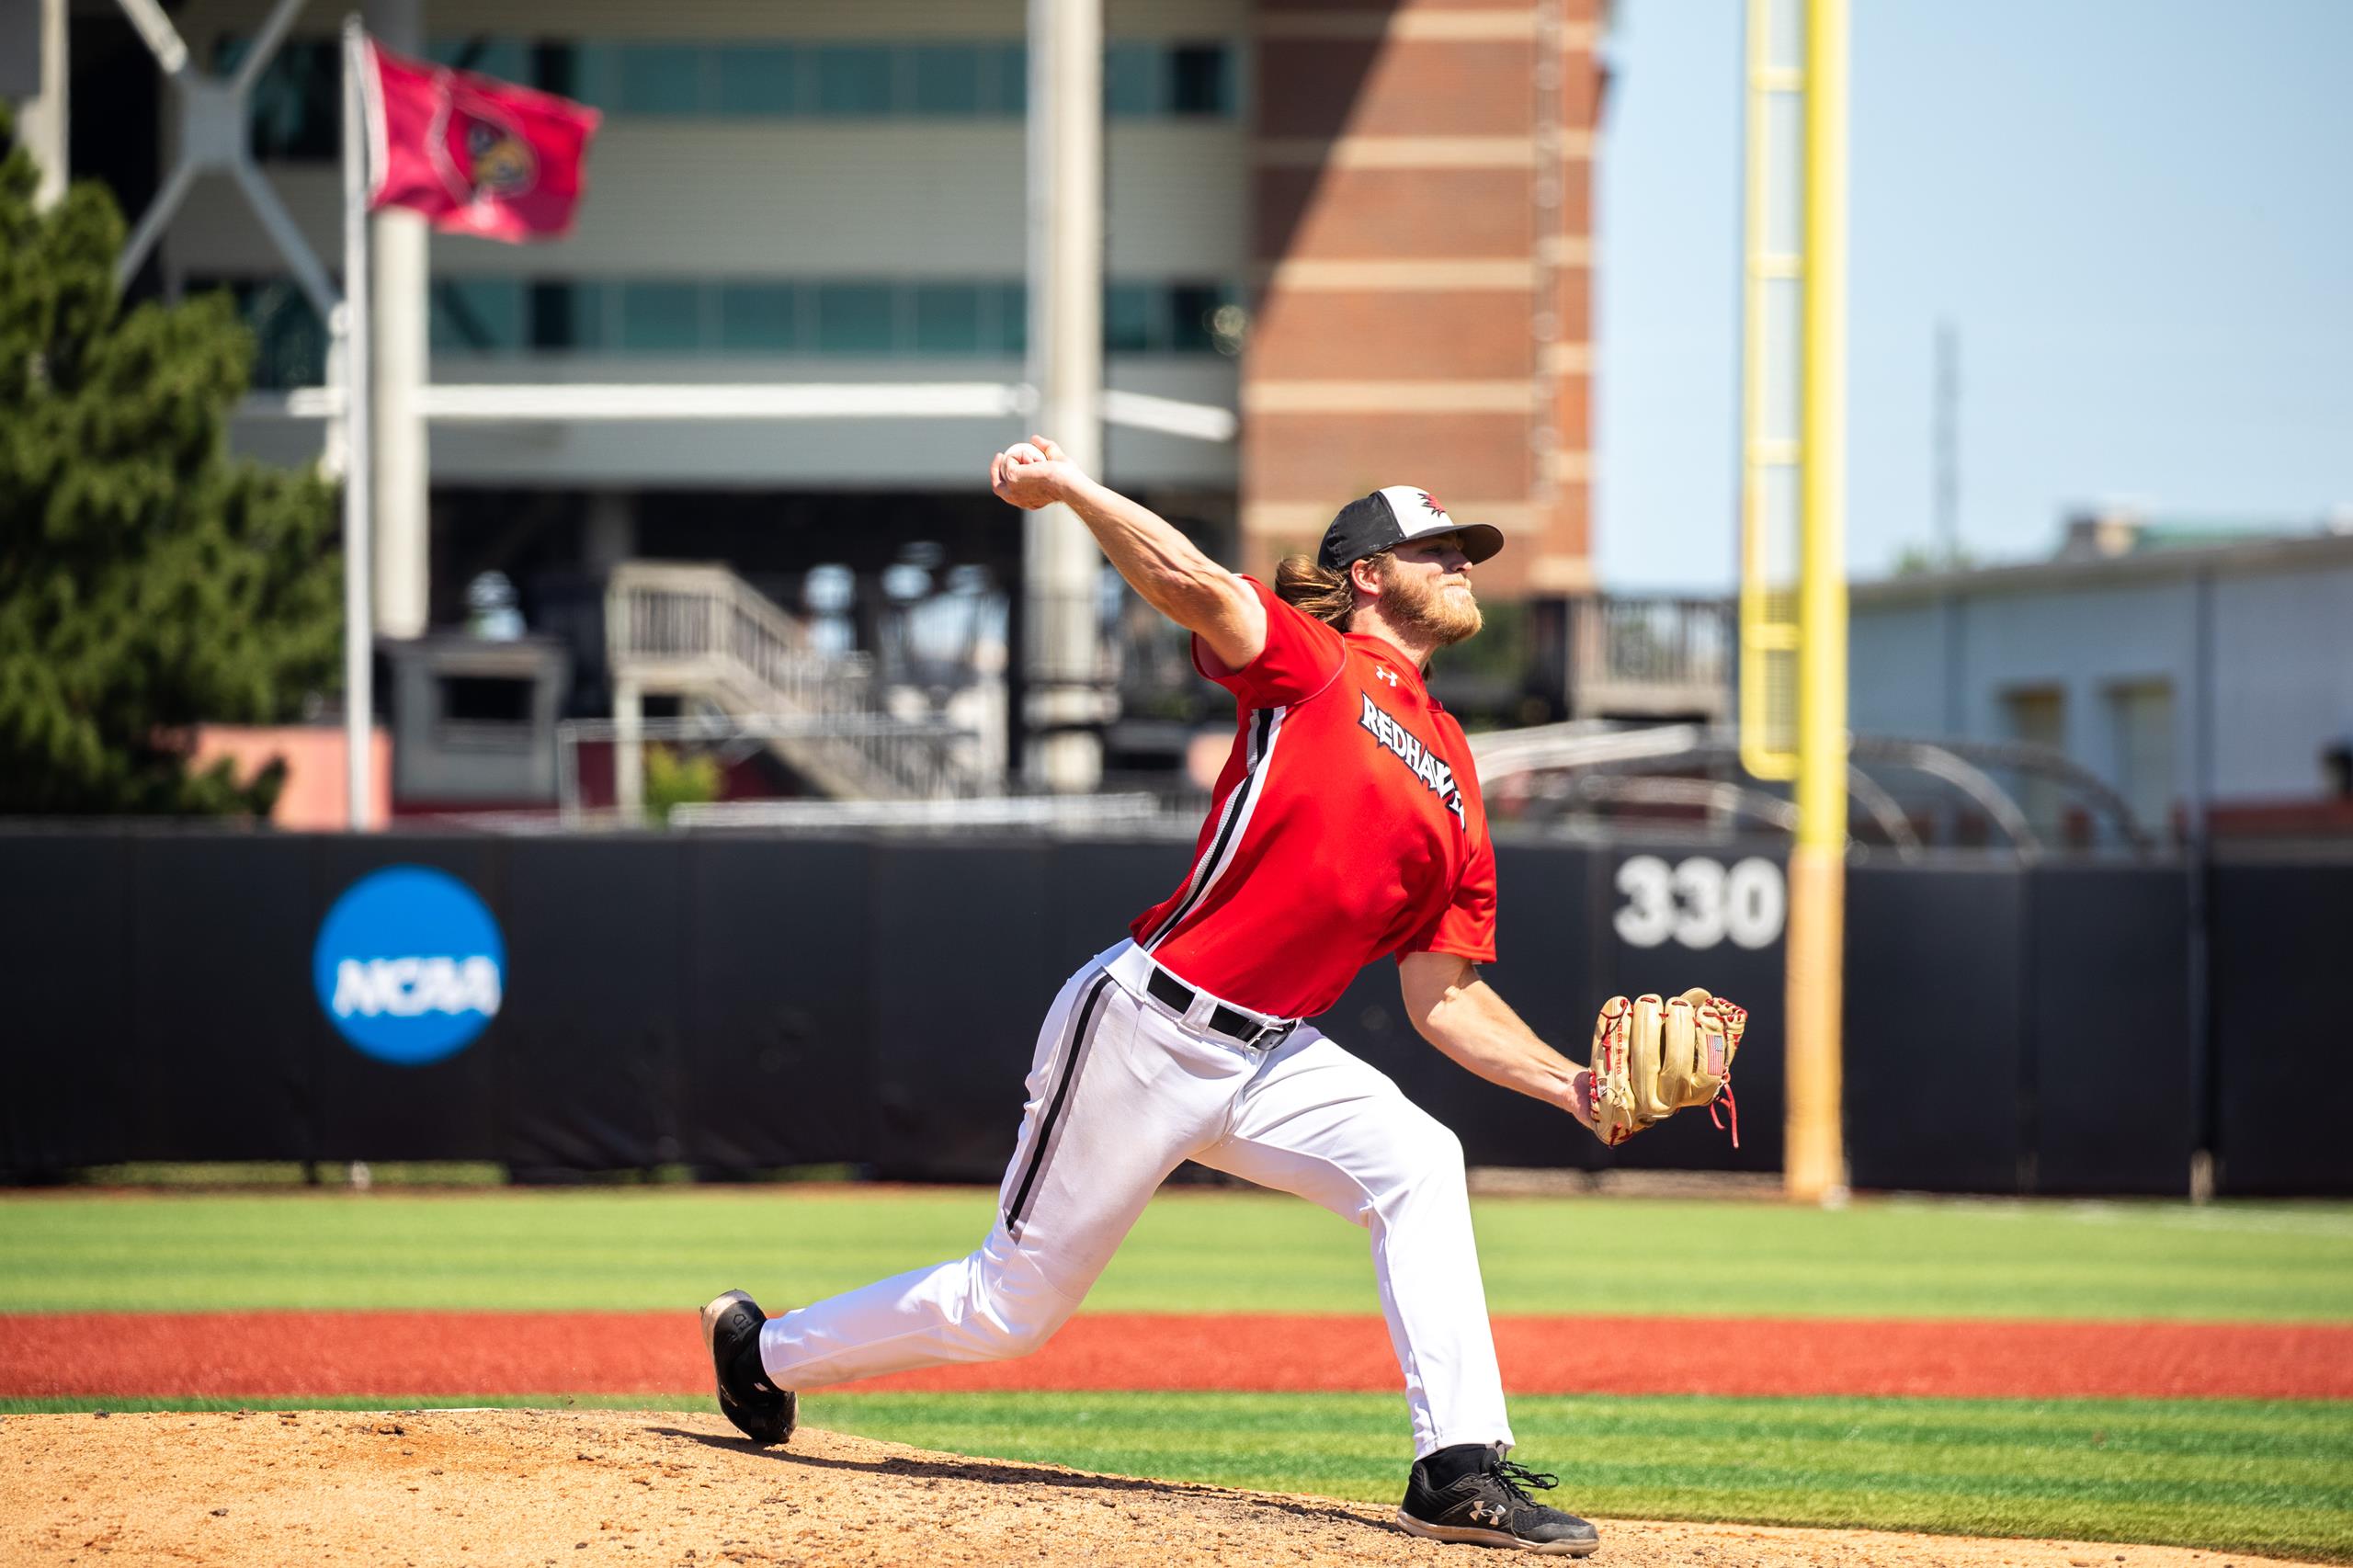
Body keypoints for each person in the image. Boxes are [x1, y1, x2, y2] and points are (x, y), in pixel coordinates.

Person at [703, 437, 1639, 1556]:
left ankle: (1456, 1468)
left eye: (1463, 550)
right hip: (1150, 1024)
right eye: (1433, 549)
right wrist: (1070, 488)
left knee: (1420, 1160)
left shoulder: (1453, 769)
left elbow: (1442, 993)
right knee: (1009, 1310)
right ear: (1367, 575)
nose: (1461, 564)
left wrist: (1573, 1086)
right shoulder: (1314, 661)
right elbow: (1189, 582)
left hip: (1273, 1054)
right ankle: (763, 1351)